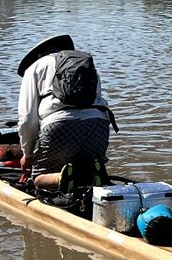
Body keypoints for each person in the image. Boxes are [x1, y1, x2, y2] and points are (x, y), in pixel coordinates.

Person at [14, 34, 116, 183]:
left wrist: (28, 155)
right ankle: (93, 173)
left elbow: (28, 119)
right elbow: (98, 101)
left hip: (59, 127)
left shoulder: (35, 67)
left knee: (38, 178)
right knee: (87, 163)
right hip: (98, 125)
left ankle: (63, 177)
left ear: (39, 55)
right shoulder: (86, 65)